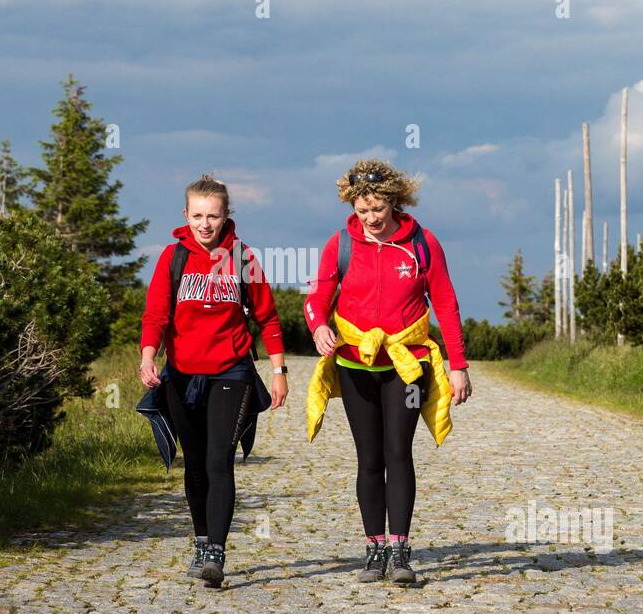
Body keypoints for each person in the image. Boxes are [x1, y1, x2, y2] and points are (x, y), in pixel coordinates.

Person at [305, 158, 471, 585]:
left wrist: (458, 366)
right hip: (354, 365)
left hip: (407, 366)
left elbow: (446, 303)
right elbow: (317, 298)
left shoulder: (423, 243)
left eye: (377, 209)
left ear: (395, 202)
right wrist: (319, 326)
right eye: (362, 210)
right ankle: (374, 549)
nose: (370, 218)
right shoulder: (340, 245)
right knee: (369, 457)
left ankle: (400, 551)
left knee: (398, 452)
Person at [139, 174, 288, 587]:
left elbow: (268, 319)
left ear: (226, 217)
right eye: (198, 216)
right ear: (185, 215)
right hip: (182, 375)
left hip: (231, 371)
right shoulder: (173, 258)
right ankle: (202, 540)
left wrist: (279, 372)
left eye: (214, 216)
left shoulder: (242, 258)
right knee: (195, 463)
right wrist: (148, 357)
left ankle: (216, 554)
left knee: (218, 460)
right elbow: (156, 315)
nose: (205, 224)